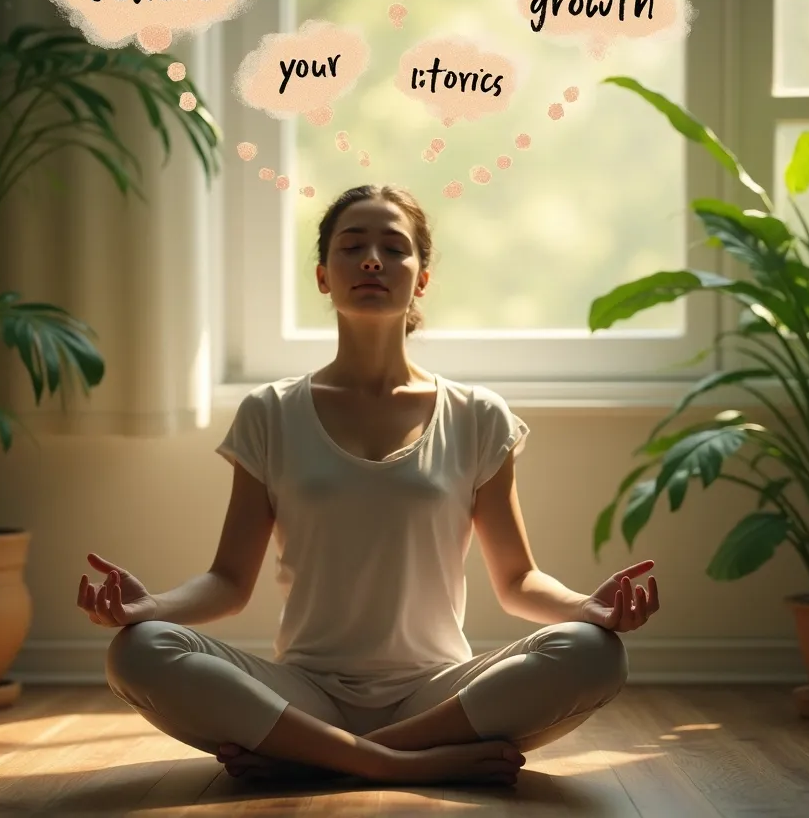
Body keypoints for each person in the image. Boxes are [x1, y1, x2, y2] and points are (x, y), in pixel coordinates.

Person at [79, 183, 661, 789]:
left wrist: (587, 608)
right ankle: (394, 763)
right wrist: (151, 608)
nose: (373, 260)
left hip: (439, 694)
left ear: (423, 277)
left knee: (595, 652)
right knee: (137, 650)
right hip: (305, 692)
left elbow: (517, 581)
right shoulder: (270, 412)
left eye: (394, 247)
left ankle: (321, 758)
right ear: (324, 276)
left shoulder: (476, 414)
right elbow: (229, 582)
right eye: (352, 246)